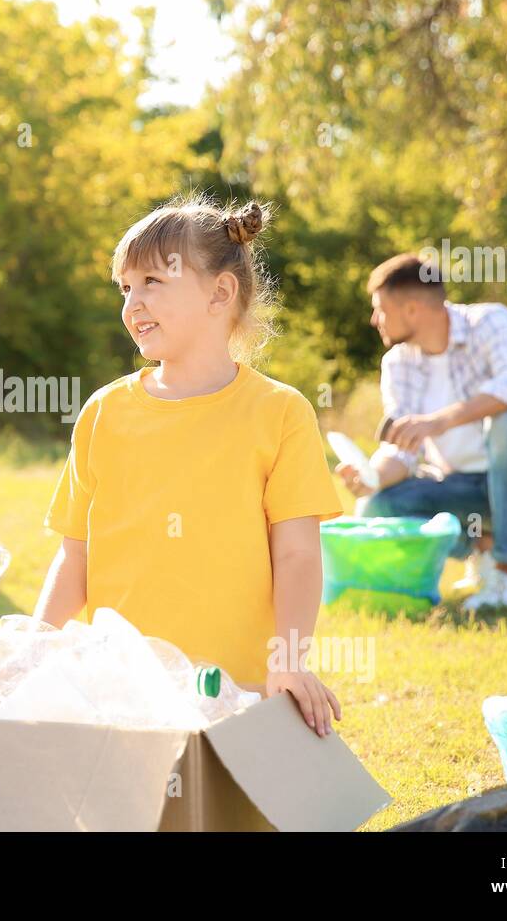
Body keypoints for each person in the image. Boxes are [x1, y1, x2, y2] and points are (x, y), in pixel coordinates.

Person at [33, 196, 345, 737]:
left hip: (234, 696)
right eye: (125, 287)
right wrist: (32, 650)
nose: (133, 303)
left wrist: (289, 660)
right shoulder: (103, 413)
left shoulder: (279, 413)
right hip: (121, 693)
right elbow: (74, 557)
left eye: (153, 281)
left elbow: (297, 555)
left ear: (220, 293)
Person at [336, 253, 507, 610]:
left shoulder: (490, 322)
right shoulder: (398, 363)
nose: (374, 319)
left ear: (411, 310)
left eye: (380, 309)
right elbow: (405, 449)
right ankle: (480, 548)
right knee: (379, 503)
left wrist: (440, 420)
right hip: (467, 492)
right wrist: (372, 477)